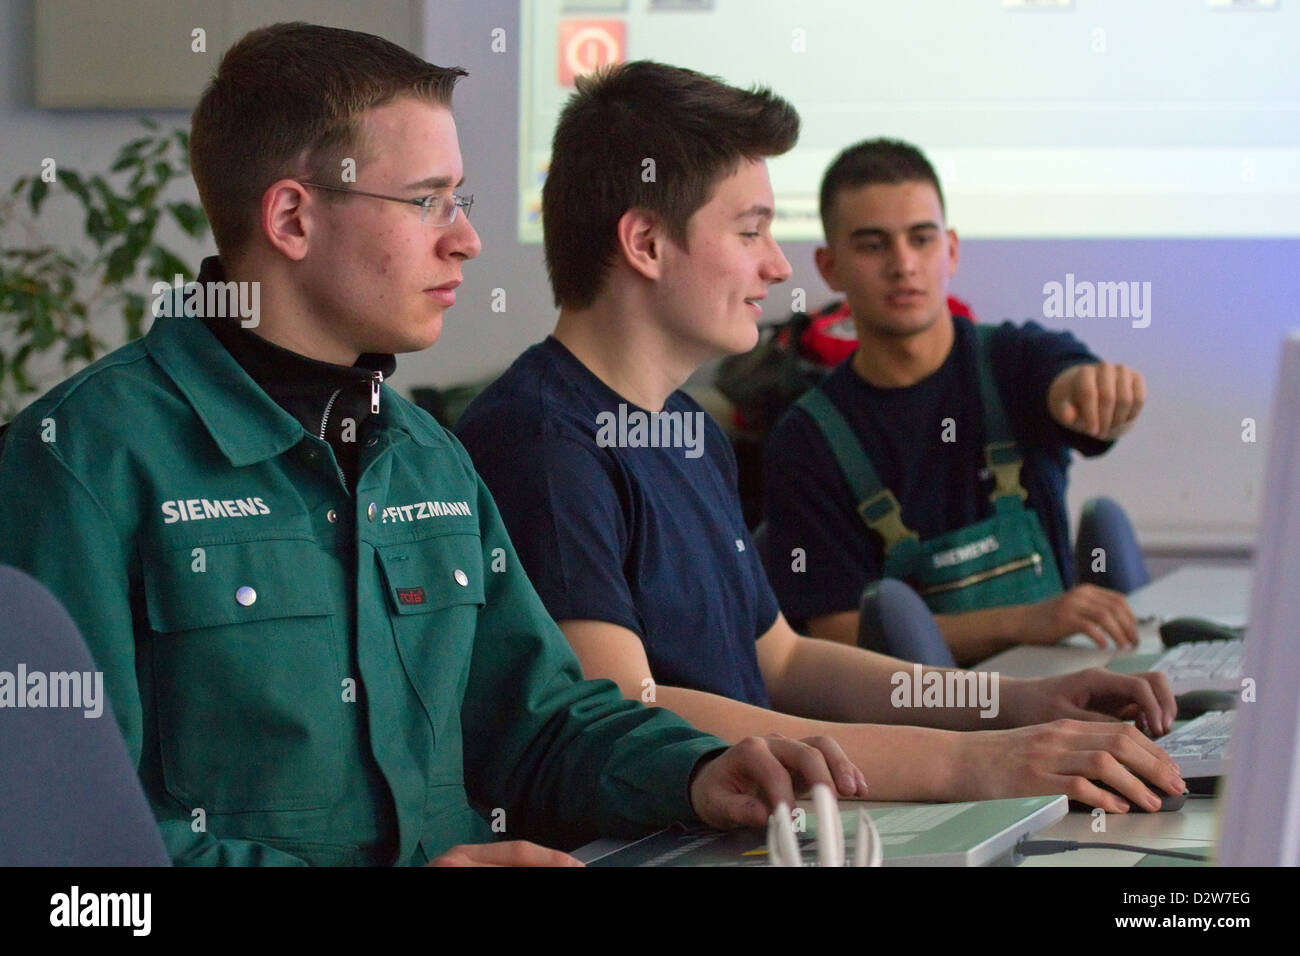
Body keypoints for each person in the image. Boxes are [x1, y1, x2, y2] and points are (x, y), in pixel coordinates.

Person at [0, 23, 866, 867]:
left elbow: (538, 723)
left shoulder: (423, 453)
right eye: (427, 201)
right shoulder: (79, 464)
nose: (466, 238)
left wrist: (696, 771)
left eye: (462, 201)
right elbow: (75, 852)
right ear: (293, 219)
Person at [455, 61, 1183, 813]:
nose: (776, 265)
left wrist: (1016, 703)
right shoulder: (543, 444)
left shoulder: (689, 432)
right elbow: (626, 705)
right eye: (751, 231)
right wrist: (974, 763)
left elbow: (786, 658)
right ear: (644, 243)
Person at [762, 138, 1146, 665]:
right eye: (873, 245)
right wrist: (1025, 622)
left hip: (1068, 694)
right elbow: (836, 634)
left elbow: (1070, 386)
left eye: (922, 239)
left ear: (952, 250)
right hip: (931, 730)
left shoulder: (1014, 360)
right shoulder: (806, 440)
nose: (904, 265)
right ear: (829, 267)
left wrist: (1094, 392)